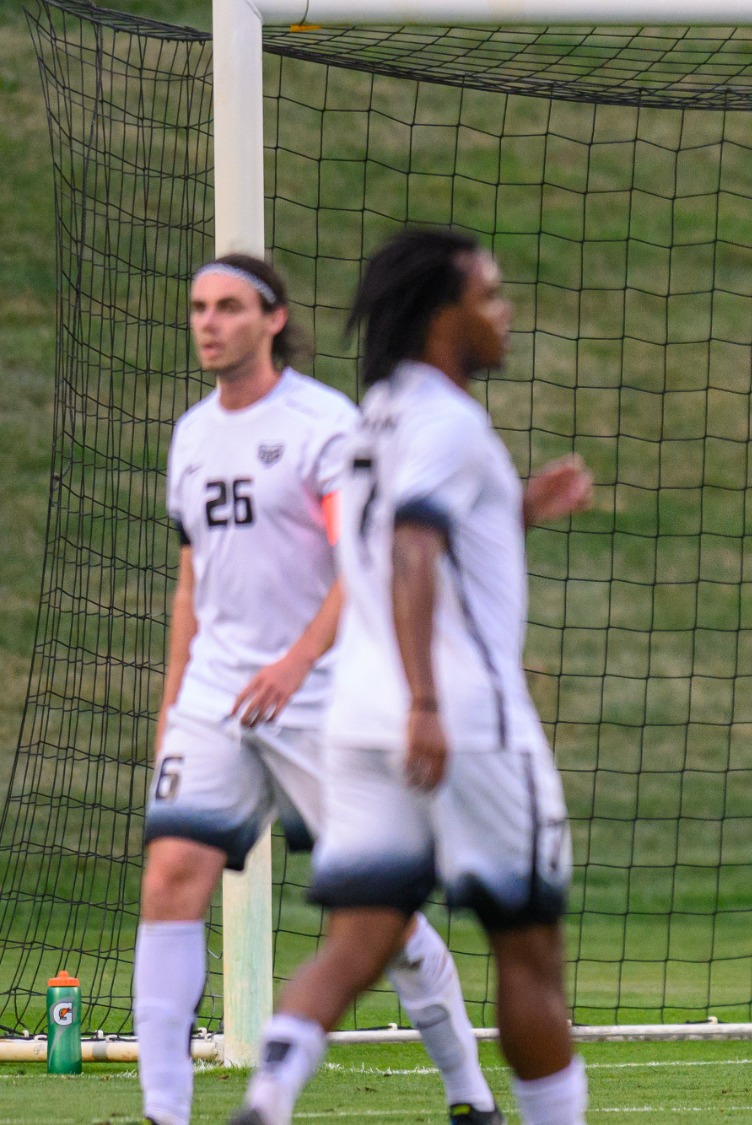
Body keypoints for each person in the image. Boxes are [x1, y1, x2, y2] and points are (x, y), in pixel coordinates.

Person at [227, 229, 593, 1125]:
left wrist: (514, 510)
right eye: (491, 296)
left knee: (357, 940)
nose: (504, 314)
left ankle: (267, 1098)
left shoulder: (373, 419)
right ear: (445, 316)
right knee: (529, 952)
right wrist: (429, 699)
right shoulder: (446, 420)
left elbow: (419, 531)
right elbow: (414, 545)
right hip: (459, 720)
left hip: (358, 718)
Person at [138, 255, 499, 1125]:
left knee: (383, 917)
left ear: (273, 320)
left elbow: (359, 562)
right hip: (218, 698)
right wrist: (172, 700)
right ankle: (164, 1113)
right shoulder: (191, 434)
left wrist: (297, 659)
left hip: (323, 695)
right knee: (170, 878)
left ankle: (469, 1094)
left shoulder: (321, 426)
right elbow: (193, 581)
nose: (208, 323)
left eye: (228, 307)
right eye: (197, 307)